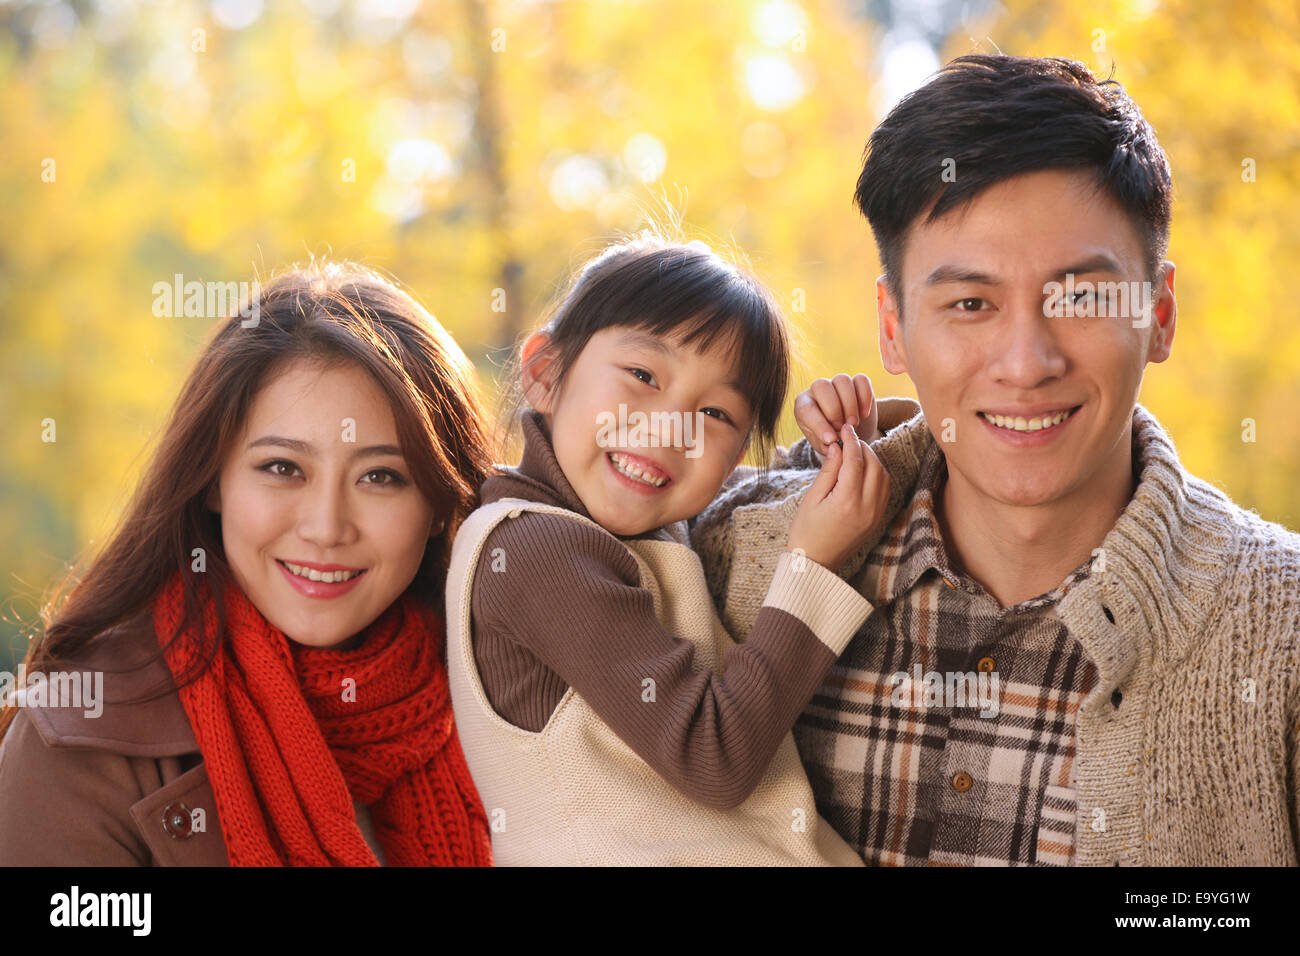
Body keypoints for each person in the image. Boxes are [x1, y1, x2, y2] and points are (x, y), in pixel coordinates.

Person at [691, 54, 1300, 866]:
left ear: (1158, 313)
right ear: (893, 327)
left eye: (1080, 297)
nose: (1025, 362)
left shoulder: (1281, 638)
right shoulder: (728, 564)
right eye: (971, 303)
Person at [0, 262, 496, 866]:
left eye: (381, 476)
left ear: (440, 503)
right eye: (283, 468)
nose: (325, 527)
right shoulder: (80, 738)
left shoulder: (505, 709)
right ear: (213, 480)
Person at [444, 233, 912, 865]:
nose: (669, 428)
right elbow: (712, 756)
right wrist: (814, 567)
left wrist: (844, 439)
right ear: (544, 374)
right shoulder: (532, 547)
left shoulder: (644, 521)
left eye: (716, 414)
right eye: (642, 375)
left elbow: (748, 500)